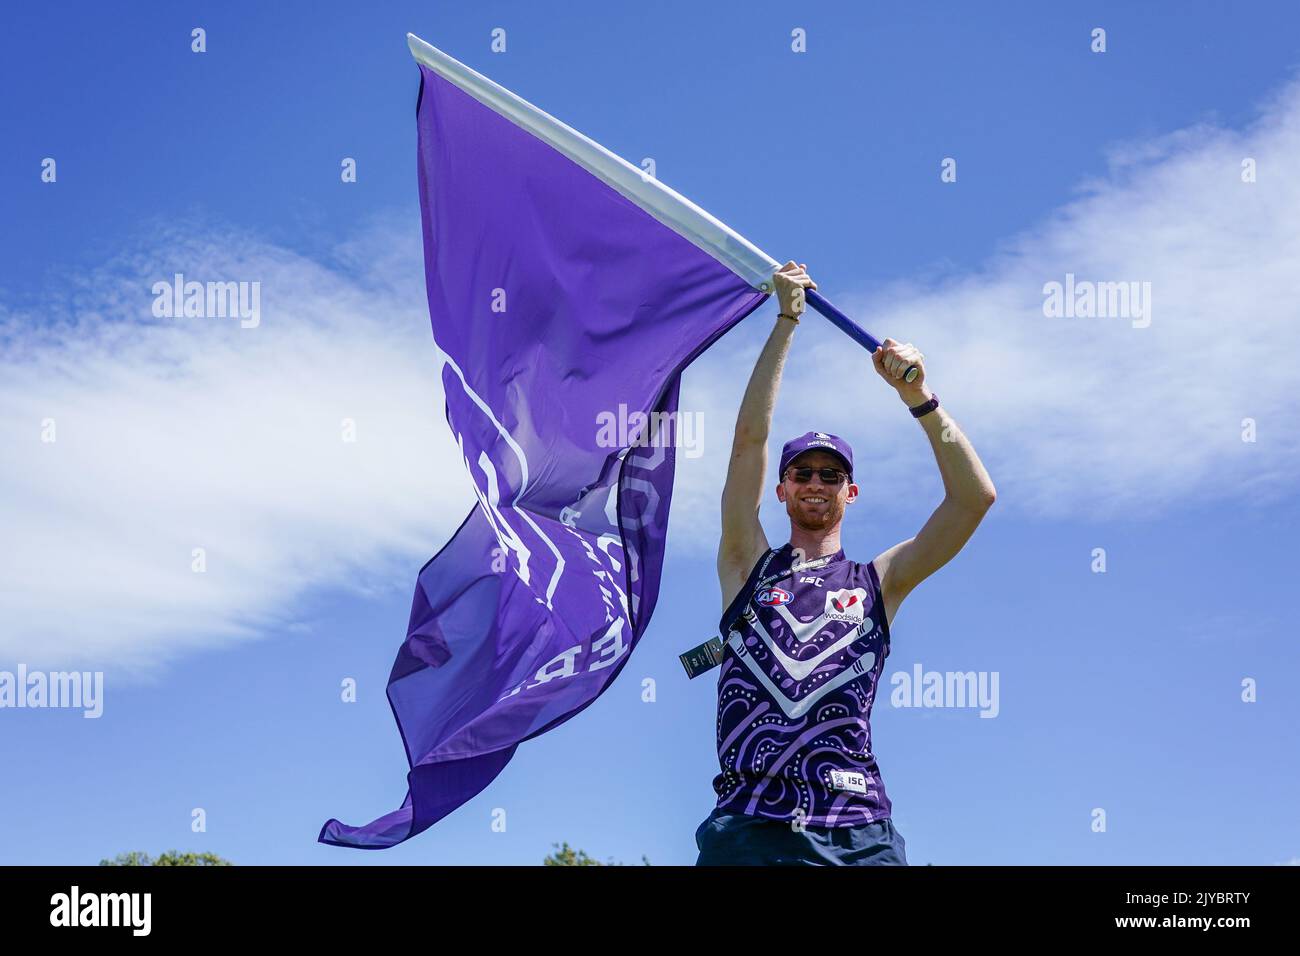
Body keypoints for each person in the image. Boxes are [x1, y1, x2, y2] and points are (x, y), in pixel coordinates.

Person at [694, 261, 997, 865]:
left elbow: (973, 499)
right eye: (801, 472)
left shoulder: (879, 583)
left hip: (857, 832)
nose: (815, 482)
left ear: (849, 492)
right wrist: (785, 321)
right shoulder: (744, 562)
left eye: (831, 475)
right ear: (781, 489)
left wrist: (918, 398)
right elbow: (749, 441)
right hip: (750, 827)